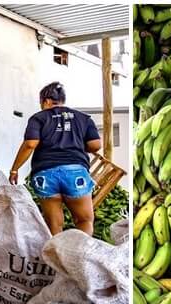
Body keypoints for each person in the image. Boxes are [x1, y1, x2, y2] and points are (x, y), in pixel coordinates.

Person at [9, 82, 102, 236]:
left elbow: (30, 144)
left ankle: (56, 258)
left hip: (45, 174)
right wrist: (76, 146)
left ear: (45, 100)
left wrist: (14, 169)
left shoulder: (38, 118)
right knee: (84, 220)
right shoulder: (83, 118)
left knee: (54, 225)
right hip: (75, 173)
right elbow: (95, 145)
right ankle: (79, 255)